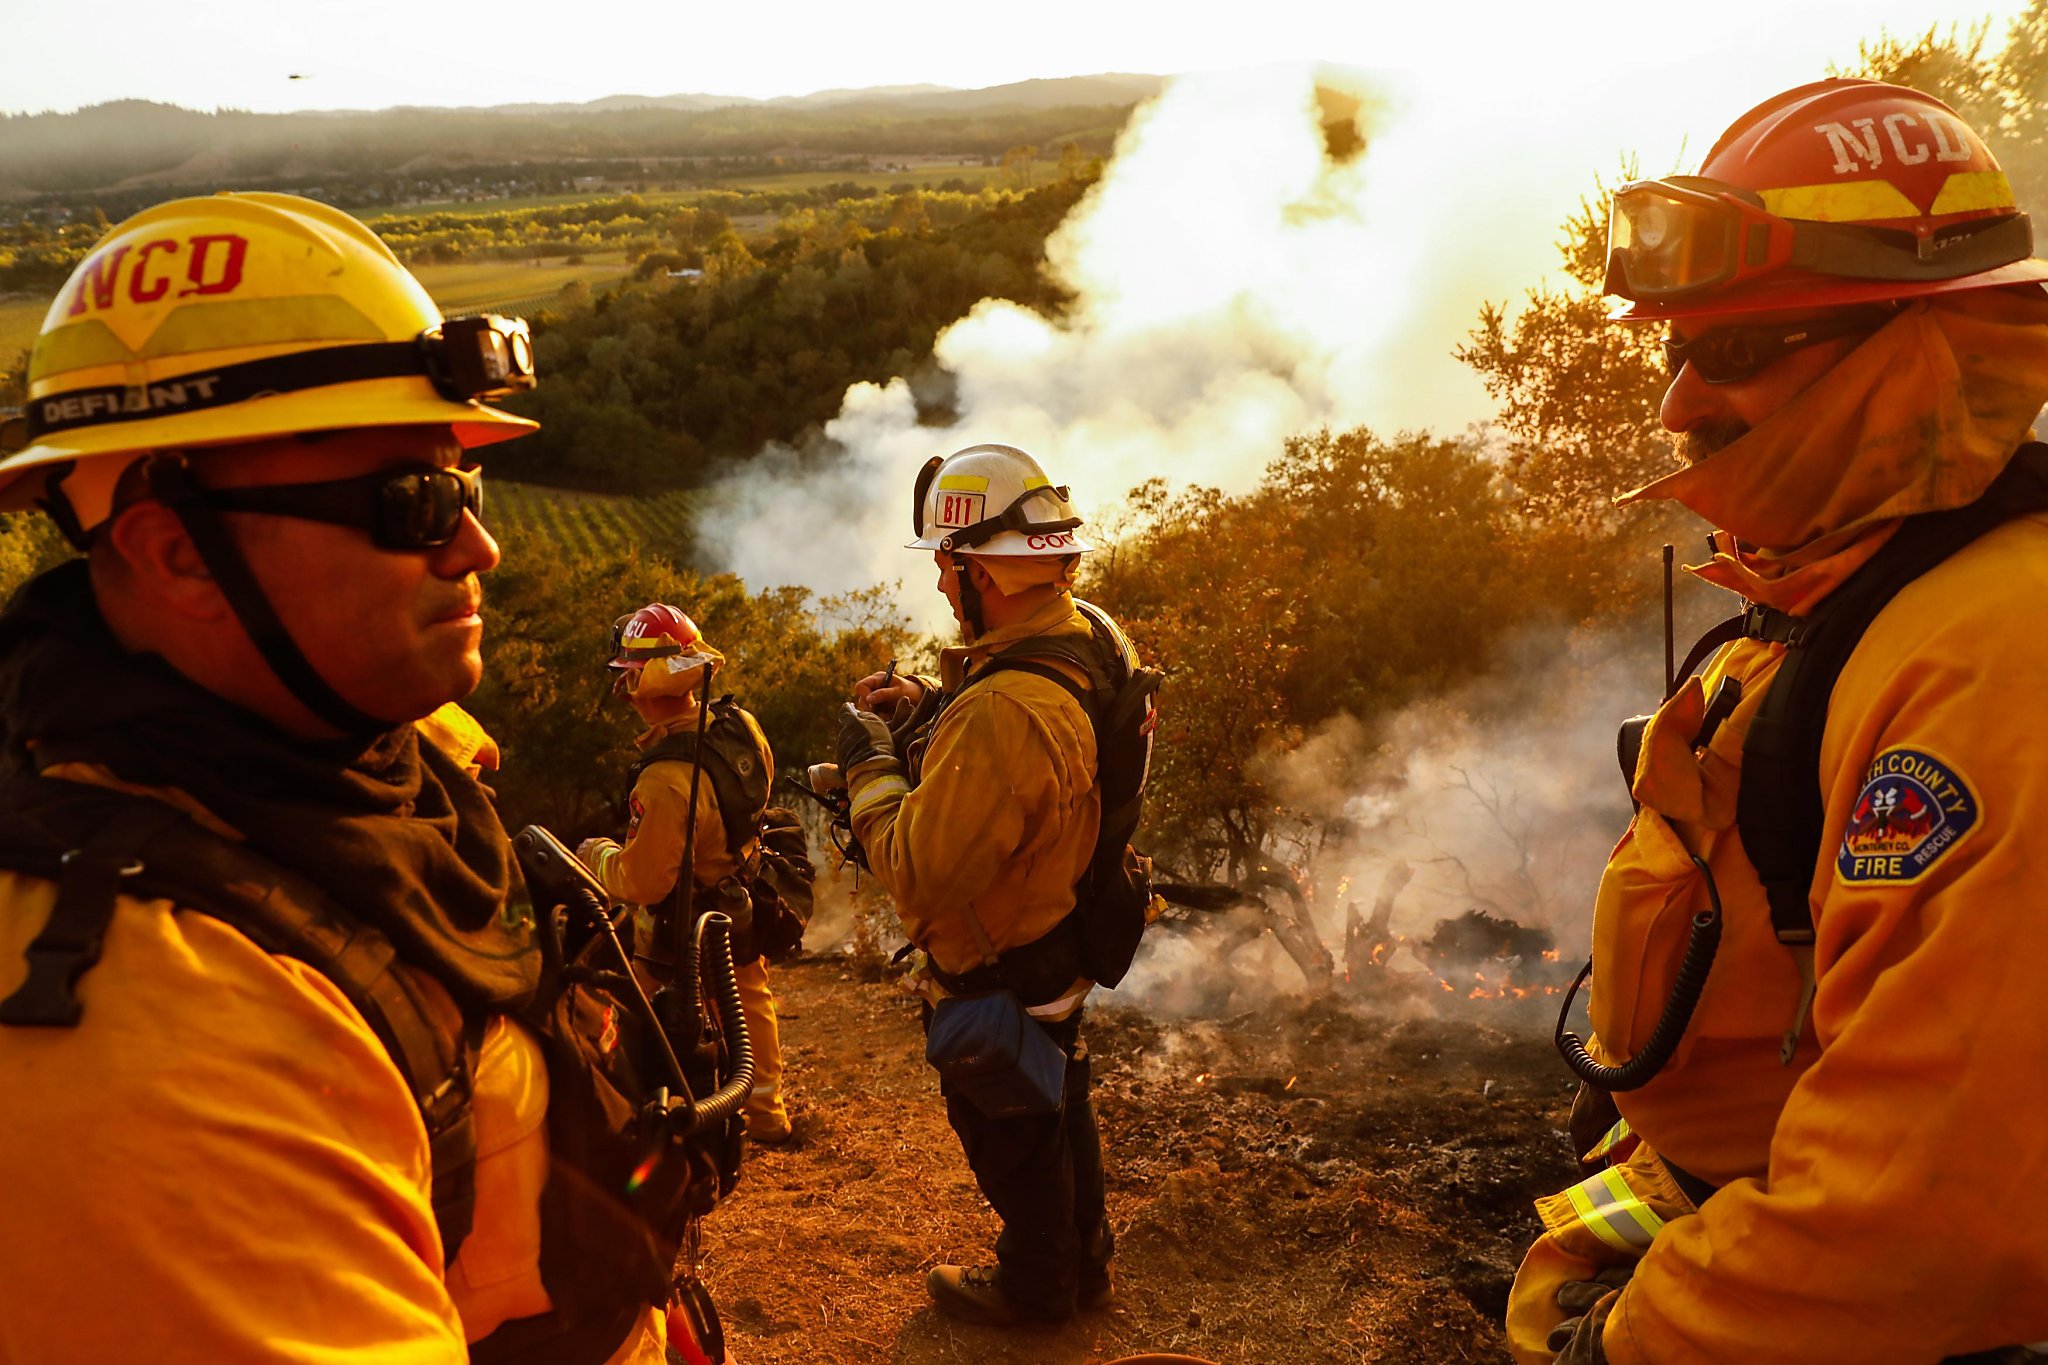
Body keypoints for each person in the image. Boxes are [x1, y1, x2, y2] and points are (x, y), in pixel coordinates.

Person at [0, 192, 698, 1363]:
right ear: (177, 553)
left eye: (464, 490)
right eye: (412, 503)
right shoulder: (156, 1045)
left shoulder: (375, 760)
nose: (477, 546)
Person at [1510, 81, 2048, 1362]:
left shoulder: (1992, 661)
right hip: (1743, 1239)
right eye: (1673, 351)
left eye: (1739, 350)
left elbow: (1915, 1220)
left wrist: (1633, 1343)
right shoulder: (1847, 586)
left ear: (1918, 341)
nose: (1677, 404)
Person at [834, 441, 1123, 1326]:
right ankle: (1085, 1263)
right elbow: (1031, 751)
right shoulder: (1086, 634)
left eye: (946, 564)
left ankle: (1038, 1290)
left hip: (1005, 956)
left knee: (1010, 1122)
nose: (939, 582)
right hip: (1067, 922)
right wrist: (934, 707)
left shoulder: (1003, 712)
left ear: (982, 572)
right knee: (1060, 1092)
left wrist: (869, 768)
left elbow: (919, 873)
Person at [577, 603, 793, 1143]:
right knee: (747, 997)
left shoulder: (664, 780)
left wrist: (597, 855)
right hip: (744, 895)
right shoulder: (739, 724)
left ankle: (643, 1114)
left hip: (682, 927)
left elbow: (644, 882)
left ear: (636, 685)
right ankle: (767, 1114)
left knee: (637, 1010)